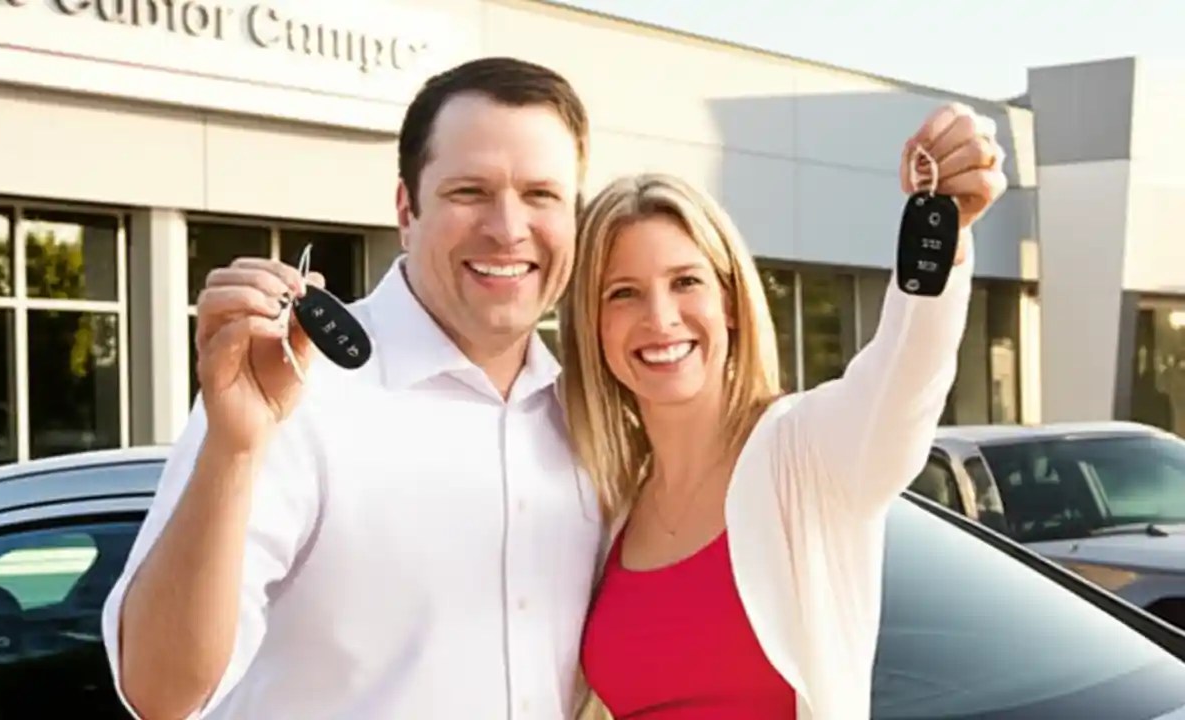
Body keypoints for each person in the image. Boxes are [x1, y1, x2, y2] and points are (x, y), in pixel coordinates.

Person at [100, 56, 605, 720]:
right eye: (468, 192)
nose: (508, 228)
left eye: (541, 194)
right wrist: (233, 448)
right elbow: (159, 693)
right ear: (406, 209)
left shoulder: (594, 421)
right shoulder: (289, 386)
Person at [557, 103, 1007, 720]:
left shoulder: (806, 450)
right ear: (593, 326)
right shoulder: (611, 507)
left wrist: (944, 234)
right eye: (623, 293)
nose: (659, 318)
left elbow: (904, 377)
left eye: (686, 282)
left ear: (732, 304)